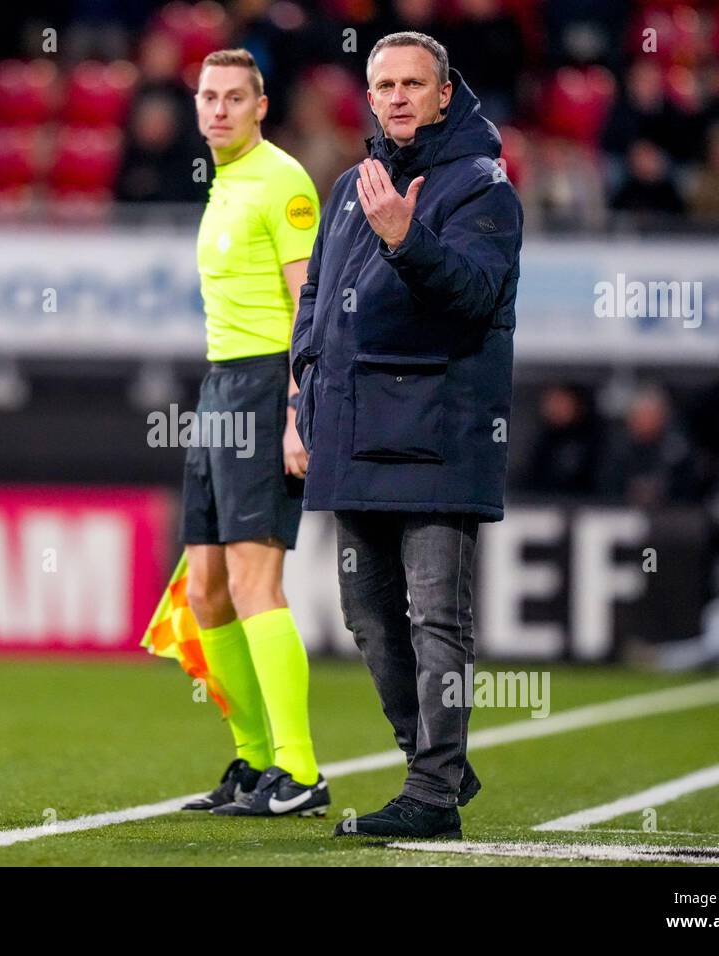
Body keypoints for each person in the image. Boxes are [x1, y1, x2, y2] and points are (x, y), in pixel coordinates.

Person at [290, 32, 522, 839]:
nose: (394, 97)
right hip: (354, 431)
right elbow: (316, 297)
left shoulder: (483, 187)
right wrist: (302, 399)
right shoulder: (356, 184)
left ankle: (430, 791)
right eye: (382, 83)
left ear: (445, 93)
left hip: (438, 432)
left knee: (436, 618)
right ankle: (439, 768)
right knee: (368, 616)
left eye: (412, 84)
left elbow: (471, 291)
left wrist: (403, 236)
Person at [178, 49, 329, 818]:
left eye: (235, 98)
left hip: (268, 385)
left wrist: (301, 410)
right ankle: (254, 761)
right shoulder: (225, 182)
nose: (219, 110)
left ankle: (300, 773)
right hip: (219, 386)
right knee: (205, 590)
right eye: (208, 97)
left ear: (260, 105)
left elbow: (311, 307)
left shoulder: (282, 179)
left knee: (252, 583)